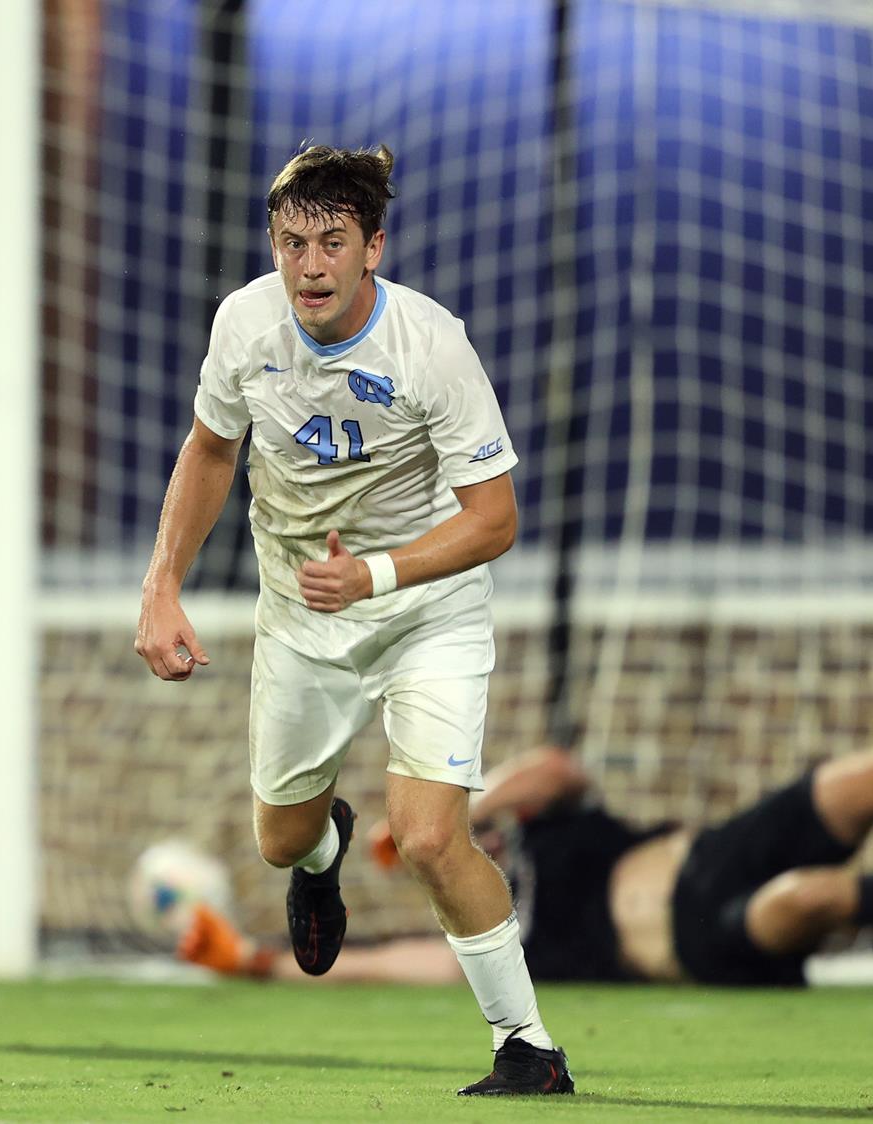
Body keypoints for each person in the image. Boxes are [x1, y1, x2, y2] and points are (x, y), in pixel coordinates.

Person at [133, 144, 571, 1095]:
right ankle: (323, 848)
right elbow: (210, 451)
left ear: (375, 246)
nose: (310, 266)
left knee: (425, 836)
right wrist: (161, 585)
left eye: (332, 242)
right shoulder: (245, 325)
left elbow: (495, 520)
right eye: (292, 243)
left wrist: (374, 574)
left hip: (426, 610)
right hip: (302, 614)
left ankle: (525, 1046)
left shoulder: (431, 345)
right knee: (280, 841)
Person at [179, 745, 873, 988]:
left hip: (708, 851)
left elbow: (557, 765)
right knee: (811, 897)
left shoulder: (527, 824)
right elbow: (404, 961)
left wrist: (453, 806)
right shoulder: (482, 926)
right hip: (697, 939)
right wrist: (263, 960)